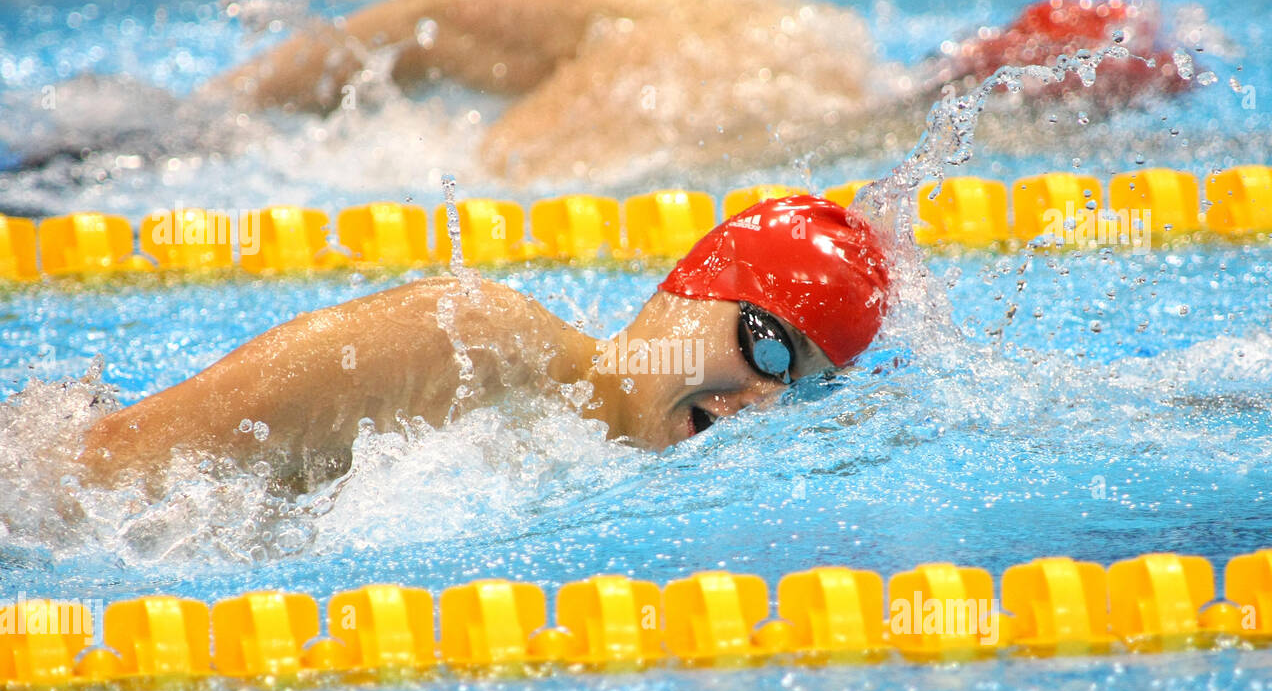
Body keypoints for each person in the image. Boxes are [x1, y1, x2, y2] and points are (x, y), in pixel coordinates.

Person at [77, 195, 889, 494]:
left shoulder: (598, 475)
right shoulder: (473, 344)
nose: (763, 401)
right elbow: (112, 464)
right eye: (770, 348)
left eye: (802, 387)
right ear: (684, 291)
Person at [201, 0, 1189, 183]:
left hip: (335, 156)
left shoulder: (776, 14)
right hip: (493, 200)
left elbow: (445, 16)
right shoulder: (847, 127)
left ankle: (200, 118)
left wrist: (218, 112)